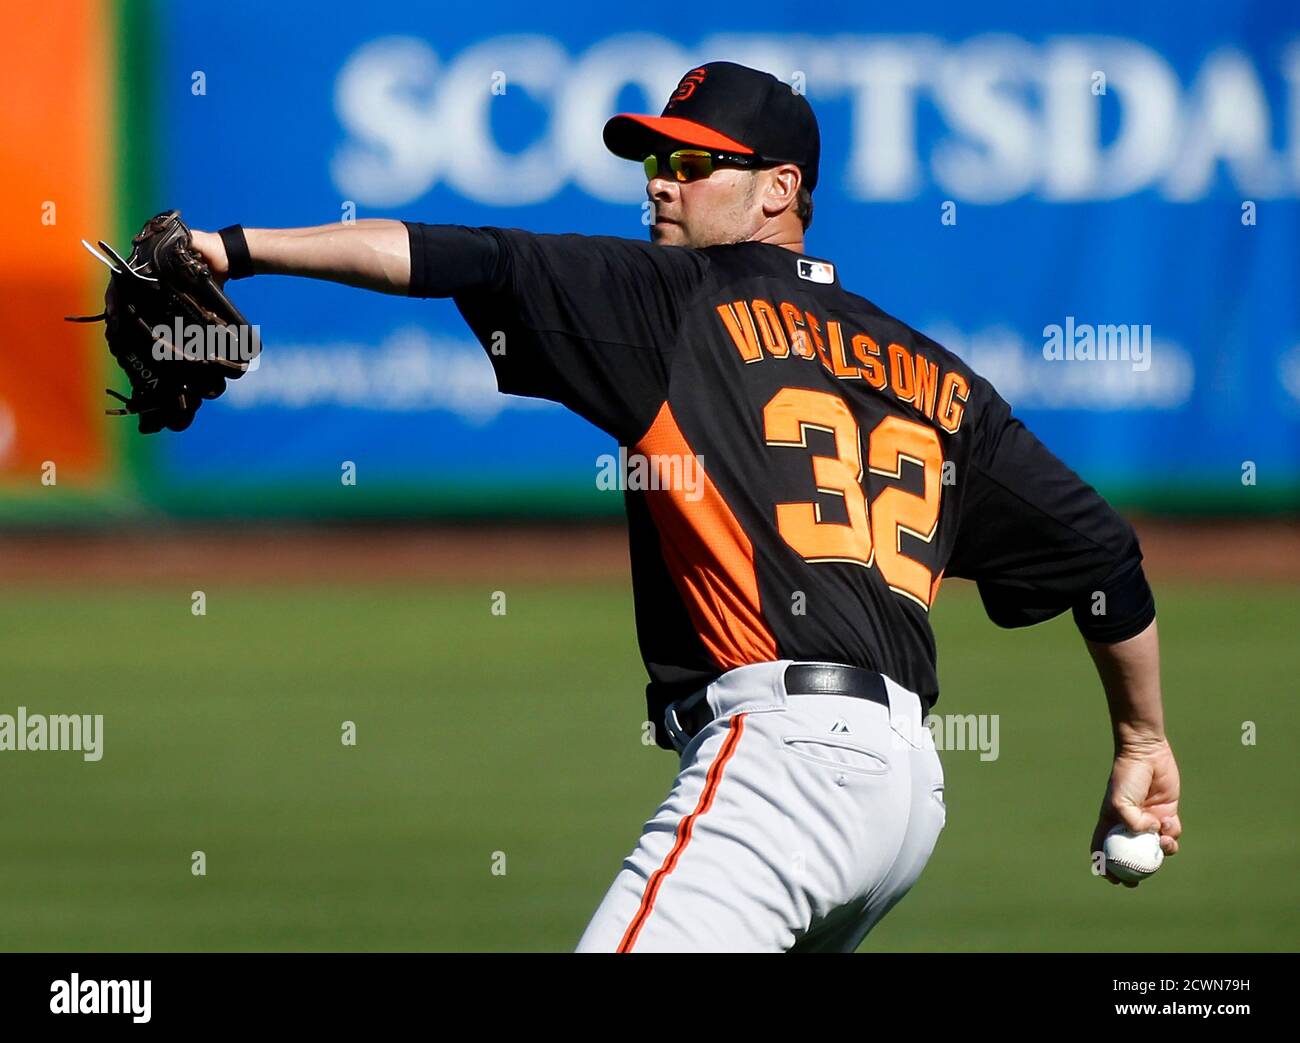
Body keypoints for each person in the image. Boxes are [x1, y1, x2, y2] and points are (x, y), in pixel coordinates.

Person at [188, 61, 1181, 952]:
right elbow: (1103, 556)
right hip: (905, 795)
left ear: (778, 191)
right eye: (655, 158)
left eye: (694, 163)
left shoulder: (675, 297)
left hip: (784, 766)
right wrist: (1140, 740)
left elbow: (456, 253)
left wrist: (229, 249)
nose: (662, 178)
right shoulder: (936, 378)